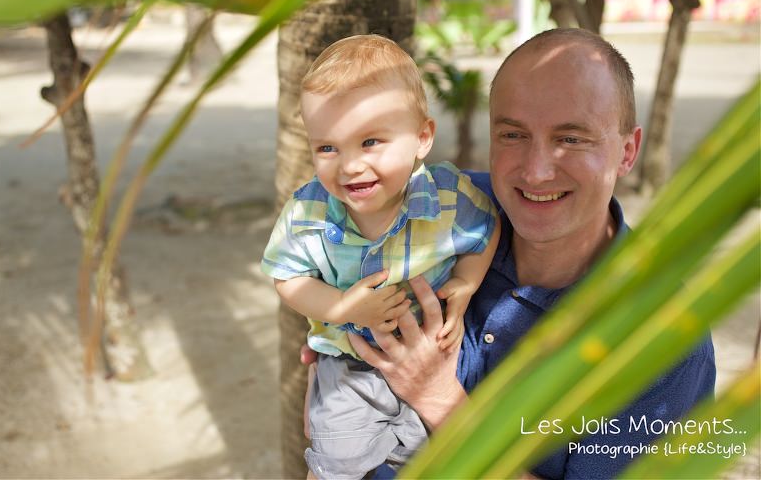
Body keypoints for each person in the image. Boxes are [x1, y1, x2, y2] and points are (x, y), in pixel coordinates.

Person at [342, 28, 716, 478]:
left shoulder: (663, 336)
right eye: (513, 135)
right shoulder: (447, 206)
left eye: (572, 139)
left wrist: (440, 400)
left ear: (627, 152)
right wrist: (329, 351)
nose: (536, 172)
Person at [262, 34, 500, 479]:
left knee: (433, 459)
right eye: (327, 147)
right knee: (338, 463)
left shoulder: (450, 198)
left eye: (370, 141)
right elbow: (286, 276)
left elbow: (486, 229)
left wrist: (466, 282)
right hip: (349, 365)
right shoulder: (309, 212)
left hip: (433, 357)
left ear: (422, 138)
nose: (349, 165)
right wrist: (341, 306)